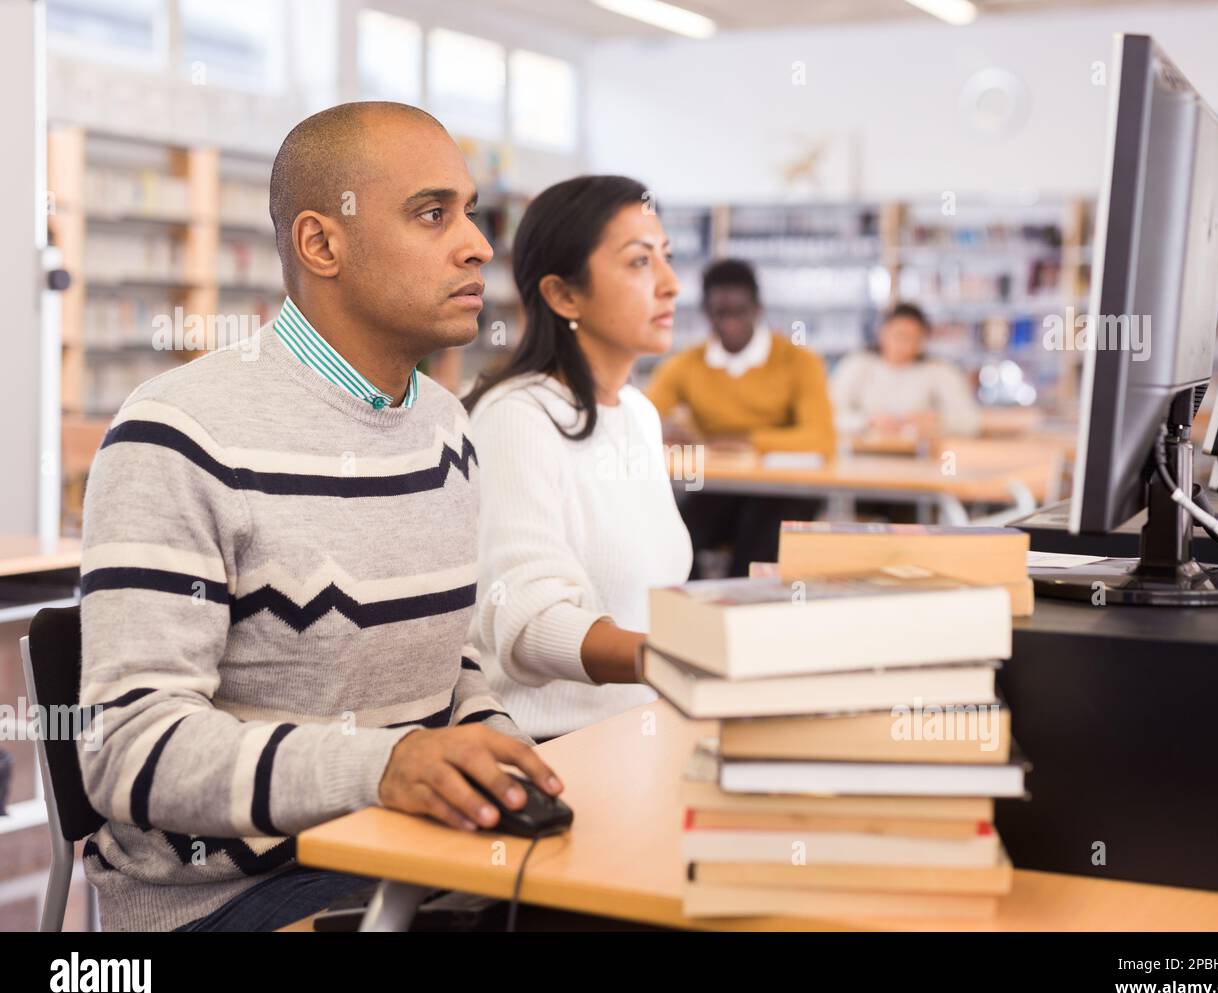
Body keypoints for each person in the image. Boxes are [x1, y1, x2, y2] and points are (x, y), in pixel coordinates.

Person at [77, 102, 562, 932]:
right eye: (432, 213)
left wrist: (496, 756)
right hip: (238, 898)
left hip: (408, 854)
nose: (479, 245)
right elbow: (130, 750)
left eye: (470, 213)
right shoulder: (179, 432)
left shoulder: (446, 426)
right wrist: (386, 768)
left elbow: (453, 671)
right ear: (321, 243)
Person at [464, 176, 692, 741]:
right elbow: (531, 622)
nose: (671, 285)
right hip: (554, 751)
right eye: (640, 263)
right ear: (564, 295)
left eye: (666, 258)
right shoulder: (517, 417)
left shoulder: (638, 414)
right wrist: (687, 659)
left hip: (644, 733)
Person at [644, 258, 833, 578]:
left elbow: (821, 438)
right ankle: (689, 616)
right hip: (721, 486)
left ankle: (739, 617)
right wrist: (660, 433)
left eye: (739, 311)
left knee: (755, 549)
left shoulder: (799, 361)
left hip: (786, 488)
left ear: (757, 309)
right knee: (675, 541)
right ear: (706, 312)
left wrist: (744, 441)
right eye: (720, 312)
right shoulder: (687, 364)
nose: (730, 322)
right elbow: (641, 414)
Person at [830, 302, 981, 438]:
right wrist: (867, 422)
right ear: (882, 333)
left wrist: (937, 420)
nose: (904, 345)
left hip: (923, 459)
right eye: (899, 335)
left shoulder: (939, 371)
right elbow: (828, 416)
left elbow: (970, 422)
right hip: (861, 459)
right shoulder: (858, 365)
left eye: (913, 338)